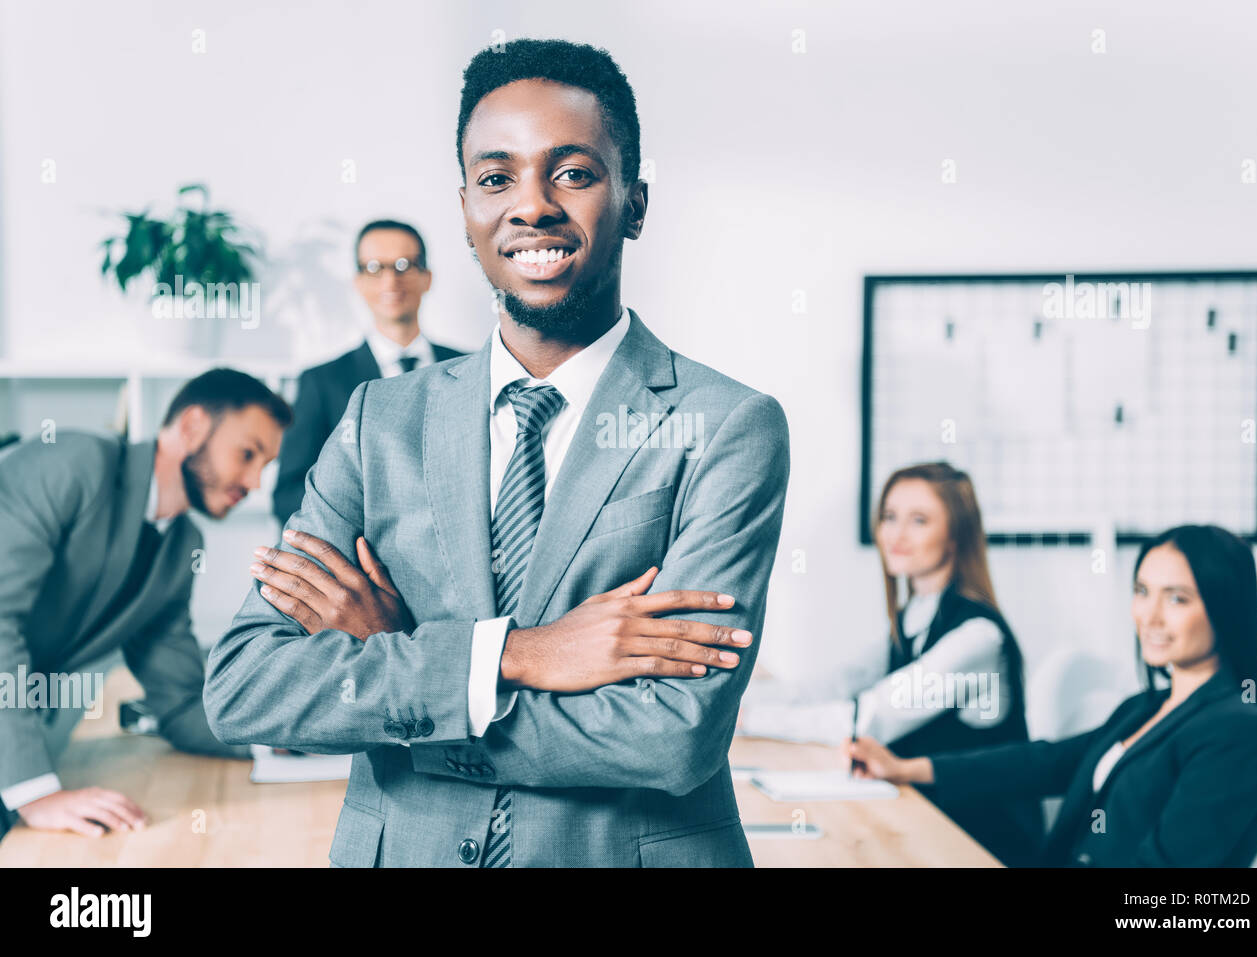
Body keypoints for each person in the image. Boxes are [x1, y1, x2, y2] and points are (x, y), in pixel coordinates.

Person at [204, 38, 790, 868]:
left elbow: (672, 736)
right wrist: (514, 656)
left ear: (636, 201)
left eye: (574, 173)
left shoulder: (725, 426)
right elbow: (247, 684)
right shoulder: (379, 420)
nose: (532, 206)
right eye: (496, 176)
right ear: (467, 208)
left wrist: (408, 672)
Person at [844, 524, 1257, 867]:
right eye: (1142, 591)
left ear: (1224, 608)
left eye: (1177, 599)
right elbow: (1045, 762)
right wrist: (905, 768)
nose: (1149, 616)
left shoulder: (1238, 732)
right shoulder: (1147, 707)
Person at [0, 369, 291, 840]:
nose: (255, 481)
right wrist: (34, 791)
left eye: (266, 463)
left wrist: (281, 739)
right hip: (18, 766)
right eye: (247, 453)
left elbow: (178, 701)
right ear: (192, 426)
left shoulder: (181, 546)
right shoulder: (74, 462)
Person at [738, 461, 1041, 865]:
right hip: (926, 823)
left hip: (980, 841)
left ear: (955, 535)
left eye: (919, 520)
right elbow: (839, 682)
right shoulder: (915, 616)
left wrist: (747, 719)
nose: (896, 535)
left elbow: (865, 719)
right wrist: (742, 696)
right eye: (889, 517)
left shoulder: (978, 638)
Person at [271, 219, 463, 527]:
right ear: (358, 282)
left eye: (403, 265)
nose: (390, 281)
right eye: (374, 268)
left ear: (427, 278)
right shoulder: (321, 382)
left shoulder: (470, 368)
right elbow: (289, 495)